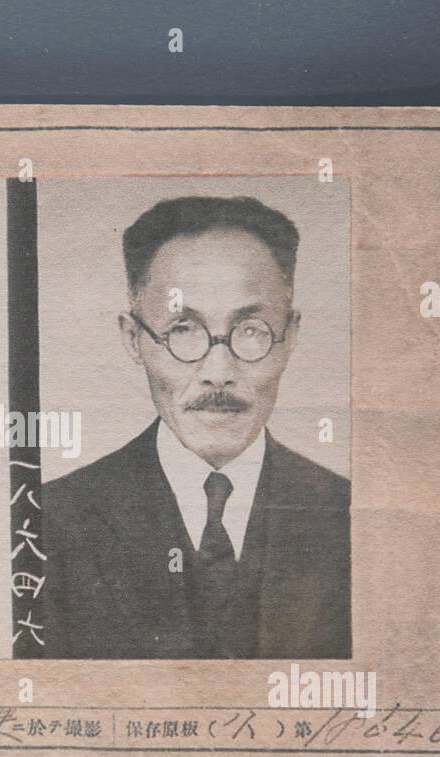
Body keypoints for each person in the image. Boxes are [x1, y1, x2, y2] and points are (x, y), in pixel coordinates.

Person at [35, 195, 350, 660]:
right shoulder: (49, 522)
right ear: (133, 338)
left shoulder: (351, 515)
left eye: (251, 329)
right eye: (183, 328)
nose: (218, 372)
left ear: (291, 337)